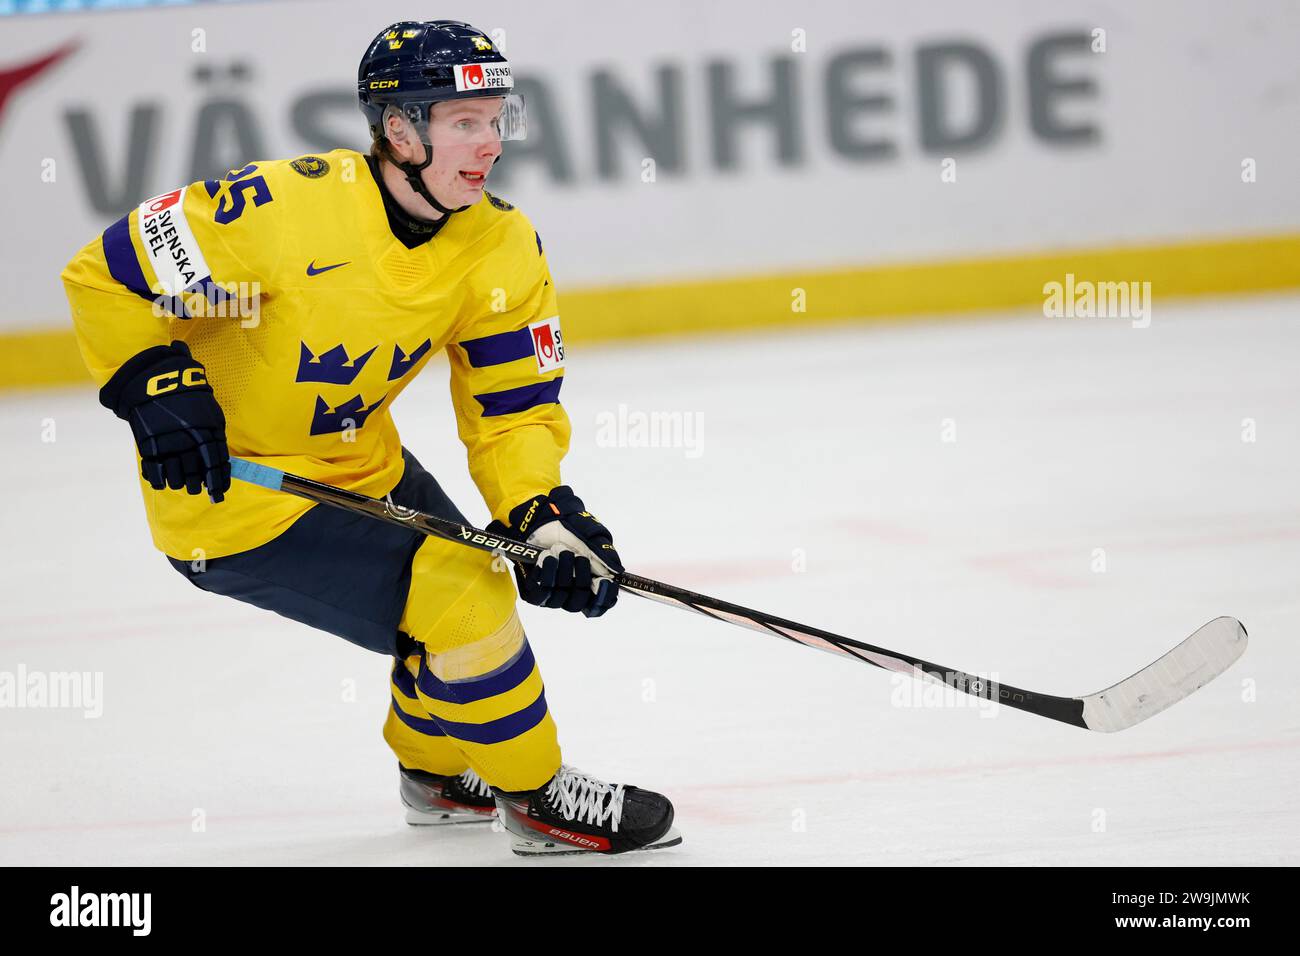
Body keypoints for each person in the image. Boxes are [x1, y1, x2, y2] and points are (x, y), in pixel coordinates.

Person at [60, 19, 680, 857]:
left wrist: (542, 514)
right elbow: (106, 272)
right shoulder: (280, 208)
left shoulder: (501, 244)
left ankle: (434, 778)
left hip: (364, 465)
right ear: (400, 129)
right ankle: (535, 799)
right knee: (465, 595)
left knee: (456, 604)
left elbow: (514, 410)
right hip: (234, 499)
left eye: (498, 119)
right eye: (467, 122)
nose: (490, 142)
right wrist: (153, 382)